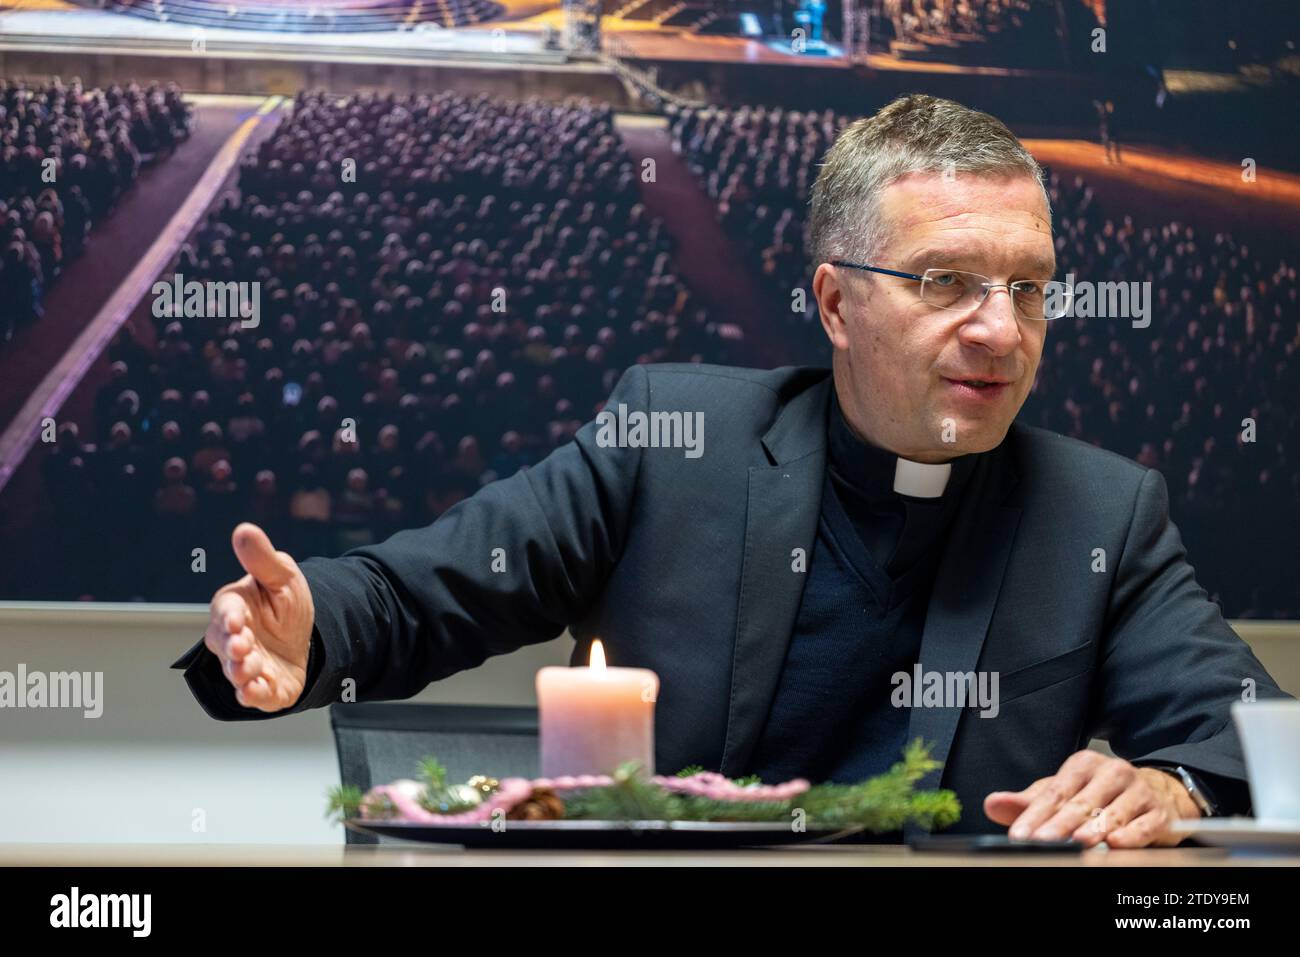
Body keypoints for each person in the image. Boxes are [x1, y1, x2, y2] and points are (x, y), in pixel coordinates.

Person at [174, 95, 1290, 846]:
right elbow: (432, 587)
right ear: (837, 303)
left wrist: (1169, 787)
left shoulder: (1101, 511)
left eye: (1029, 287)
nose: (1000, 330)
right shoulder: (674, 438)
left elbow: (1262, 739)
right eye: (945, 280)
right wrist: (307, 625)